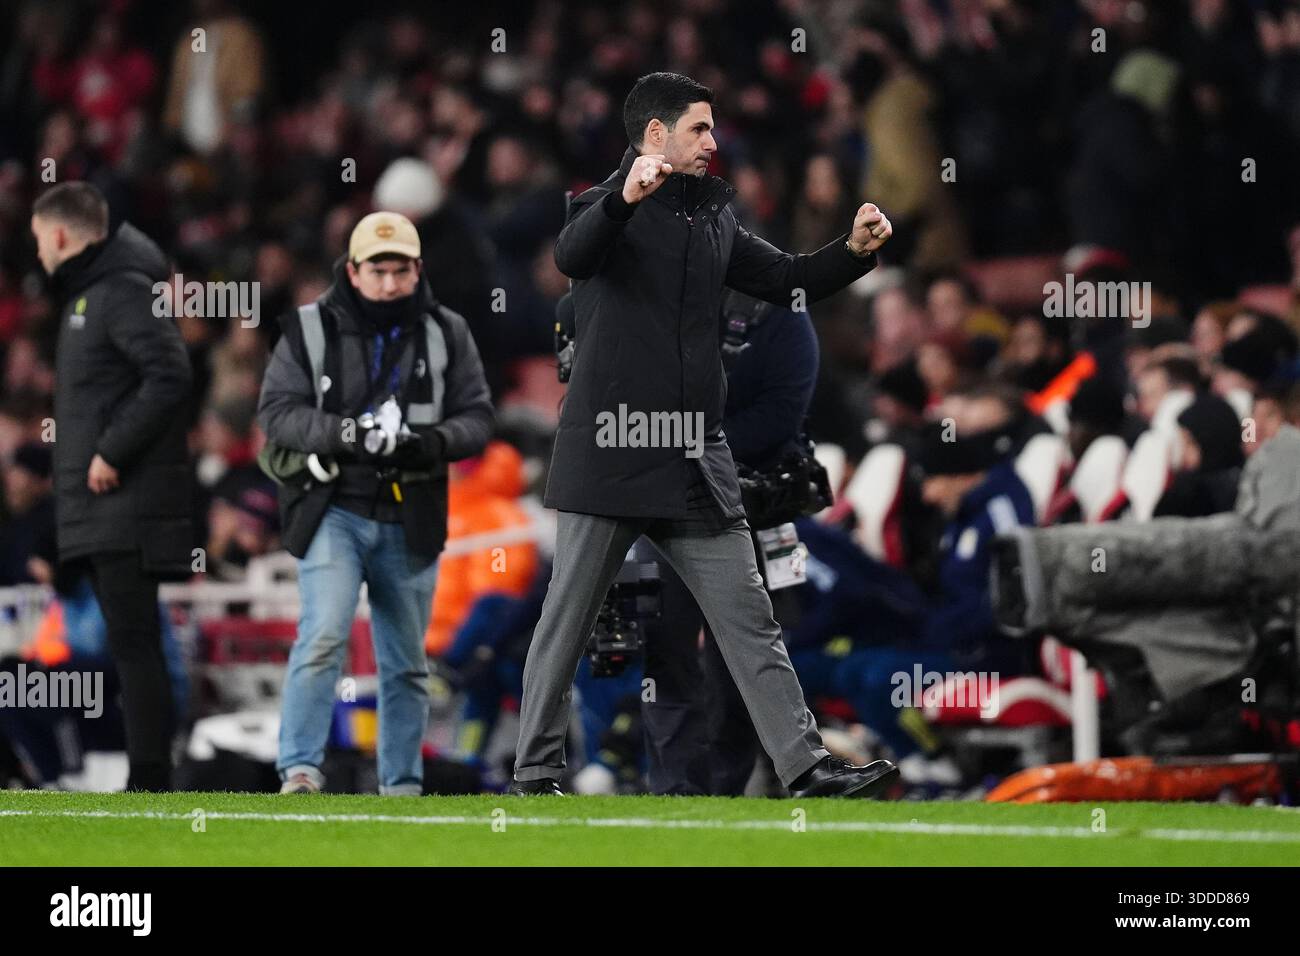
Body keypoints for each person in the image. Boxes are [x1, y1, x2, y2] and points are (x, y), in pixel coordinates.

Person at [512, 72, 898, 798]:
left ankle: (805, 767)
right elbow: (571, 258)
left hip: (695, 457)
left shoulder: (713, 216)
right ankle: (534, 775)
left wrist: (851, 250)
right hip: (613, 451)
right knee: (566, 622)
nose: (713, 142)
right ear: (655, 134)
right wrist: (625, 200)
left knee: (750, 618)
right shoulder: (601, 206)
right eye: (699, 128)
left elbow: (786, 278)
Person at [258, 211, 493, 795]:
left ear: (418, 270)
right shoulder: (310, 329)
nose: (390, 282)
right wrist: (344, 435)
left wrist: (432, 442)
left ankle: (402, 784)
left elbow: (478, 416)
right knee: (324, 636)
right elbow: (276, 415)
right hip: (335, 506)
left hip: (410, 511)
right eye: (378, 270)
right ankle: (301, 770)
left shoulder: (447, 331)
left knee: (407, 661)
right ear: (354, 271)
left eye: (401, 270)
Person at [32, 181, 194, 792]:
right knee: (133, 641)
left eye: (40, 240)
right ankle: (147, 773)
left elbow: (170, 374)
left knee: (135, 642)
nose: (39, 255)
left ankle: (150, 778)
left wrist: (110, 451)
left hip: (125, 503)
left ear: (60, 234)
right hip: (106, 507)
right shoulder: (94, 295)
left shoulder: (117, 291)